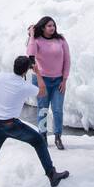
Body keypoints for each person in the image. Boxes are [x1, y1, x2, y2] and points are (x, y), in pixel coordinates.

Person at [0, 55, 69, 187]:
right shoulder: (24, 86)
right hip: (10, 124)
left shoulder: (1, 77)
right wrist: (38, 73)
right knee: (38, 140)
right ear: (26, 70)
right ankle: (52, 175)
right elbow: (42, 92)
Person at [27, 16, 71, 149]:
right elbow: (30, 53)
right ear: (42, 28)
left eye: (53, 25)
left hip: (58, 81)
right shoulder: (37, 41)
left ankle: (58, 137)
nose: (52, 28)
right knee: (43, 109)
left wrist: (64, 80)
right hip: (42, 80)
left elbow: (67, 60)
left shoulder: (61, 40)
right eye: (49, 26)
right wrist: (32, 36)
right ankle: (42, 136)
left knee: (57, 110)